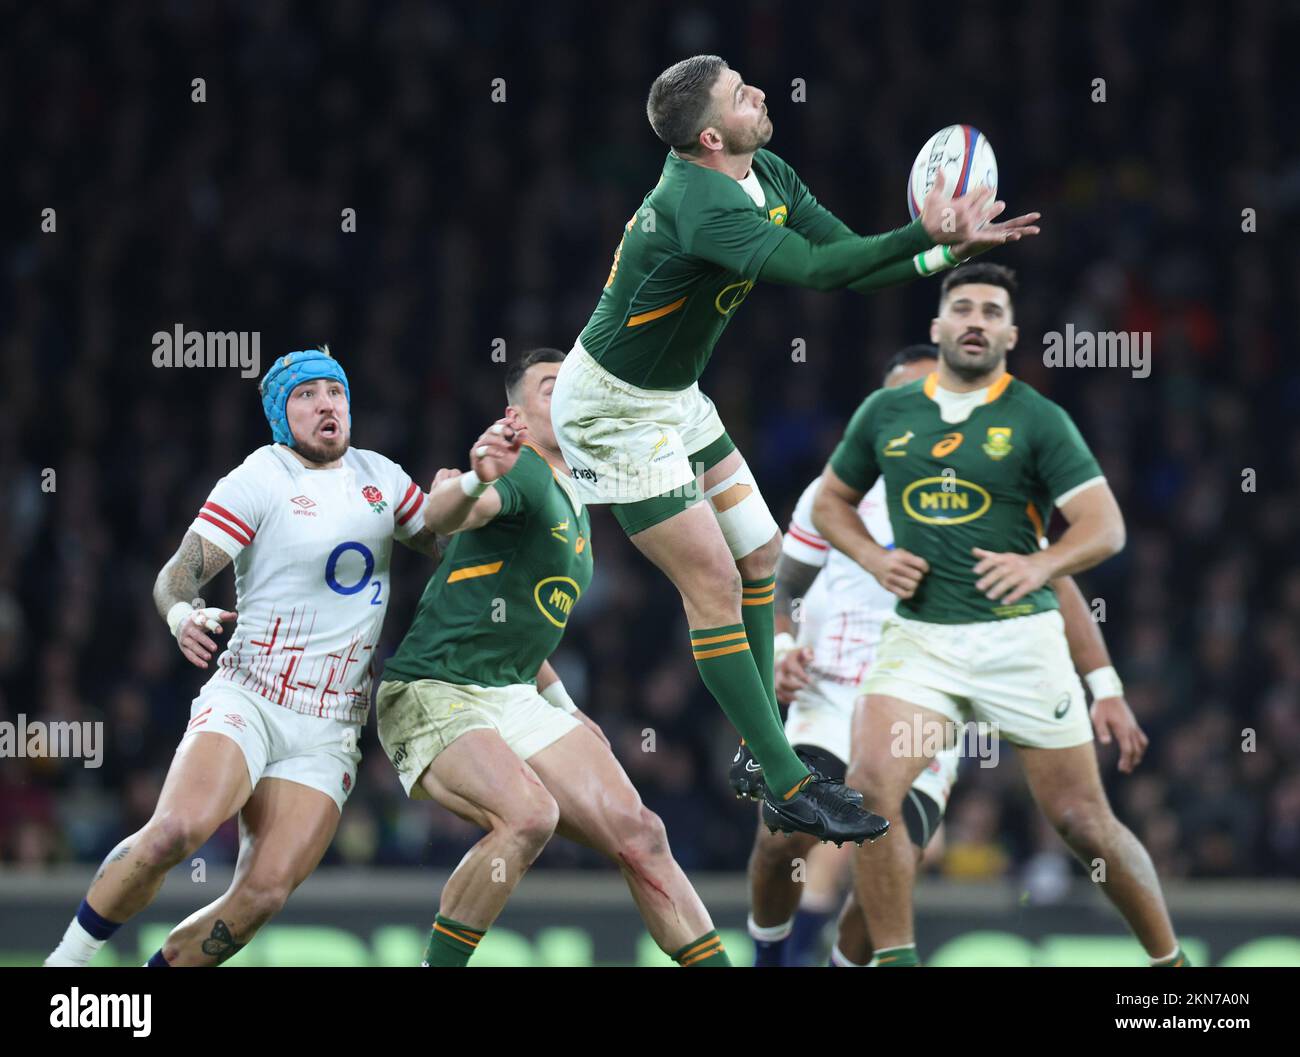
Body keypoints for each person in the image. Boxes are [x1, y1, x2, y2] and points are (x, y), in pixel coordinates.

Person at [551, 54, 1041, 844]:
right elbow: (815, 273)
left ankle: (760, 746)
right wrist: (927, 228)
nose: (761, 92)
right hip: (611, 411)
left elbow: (849, 263)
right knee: (712, 578)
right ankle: (788, 782)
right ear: (712, 136)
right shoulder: (696, 205)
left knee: (761, 555)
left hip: (672, 395)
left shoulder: (766, 170)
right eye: (741, 95)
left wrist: (942, 252)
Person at [814, 264, 1186, 967]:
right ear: (938, 326)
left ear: (1011, 333)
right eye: (962, 307)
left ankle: (1173, 969)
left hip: (1021, 639)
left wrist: (1040, 565)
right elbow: (831, 501)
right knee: (868, 789)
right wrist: (870, 555)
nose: (976, 319)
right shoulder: (886, 414)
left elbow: (1105, 527)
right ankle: (896, 960)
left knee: (1083, 822)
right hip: (921, 638)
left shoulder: (1037, 418)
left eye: (991, 310)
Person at [45, 348, 441, 966]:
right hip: (252, 693)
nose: (325, 405)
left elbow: (444, 546)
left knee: (262, 894)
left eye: (333, 392)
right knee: (177, 831)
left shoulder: (383, 478)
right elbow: (176, 575)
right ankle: (66, 966)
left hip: (331, 724)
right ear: (282, 416)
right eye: (305, 395)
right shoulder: (260, 478)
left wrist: (475, 491)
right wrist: (183, 615)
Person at [376, 348, 731, 967]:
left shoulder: (576, 498)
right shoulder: (521, 473)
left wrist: (564, 706)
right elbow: (440, 517)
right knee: (529, 814)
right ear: (514, 413)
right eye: (548, 387)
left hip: (511, 690)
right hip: (434, 687)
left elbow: (519, 628)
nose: (565, 393)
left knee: (643, 836)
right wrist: (474, 478)